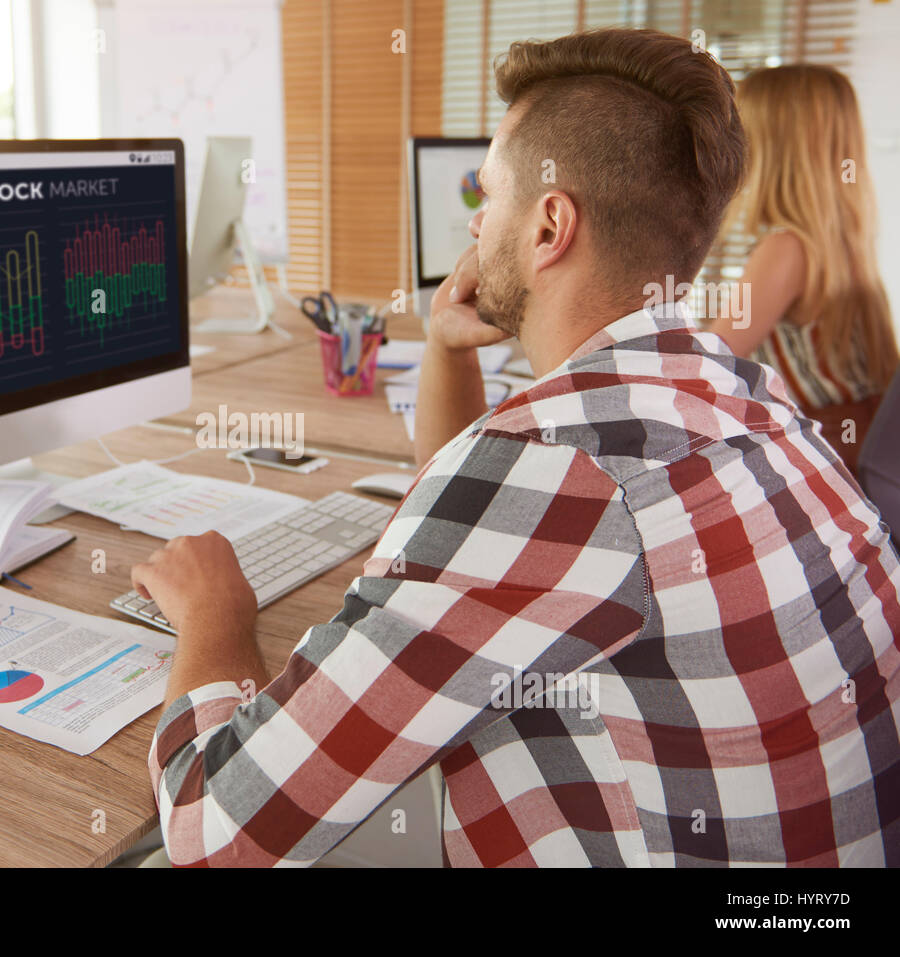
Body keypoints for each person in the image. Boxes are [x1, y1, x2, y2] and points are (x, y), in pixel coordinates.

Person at [131, 28, 900, 866]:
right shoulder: (746, 394)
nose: (474, 223)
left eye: (487, 196)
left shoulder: (560, 466)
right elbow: (474, 542)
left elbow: (215, 831)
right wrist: (447, 348)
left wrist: (215, 614)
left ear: (548, 227)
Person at [704, 65, 898, 474]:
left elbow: (708, 366)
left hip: (826, 459)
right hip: (860, 453)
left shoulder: (786, 248)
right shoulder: (842, 241)